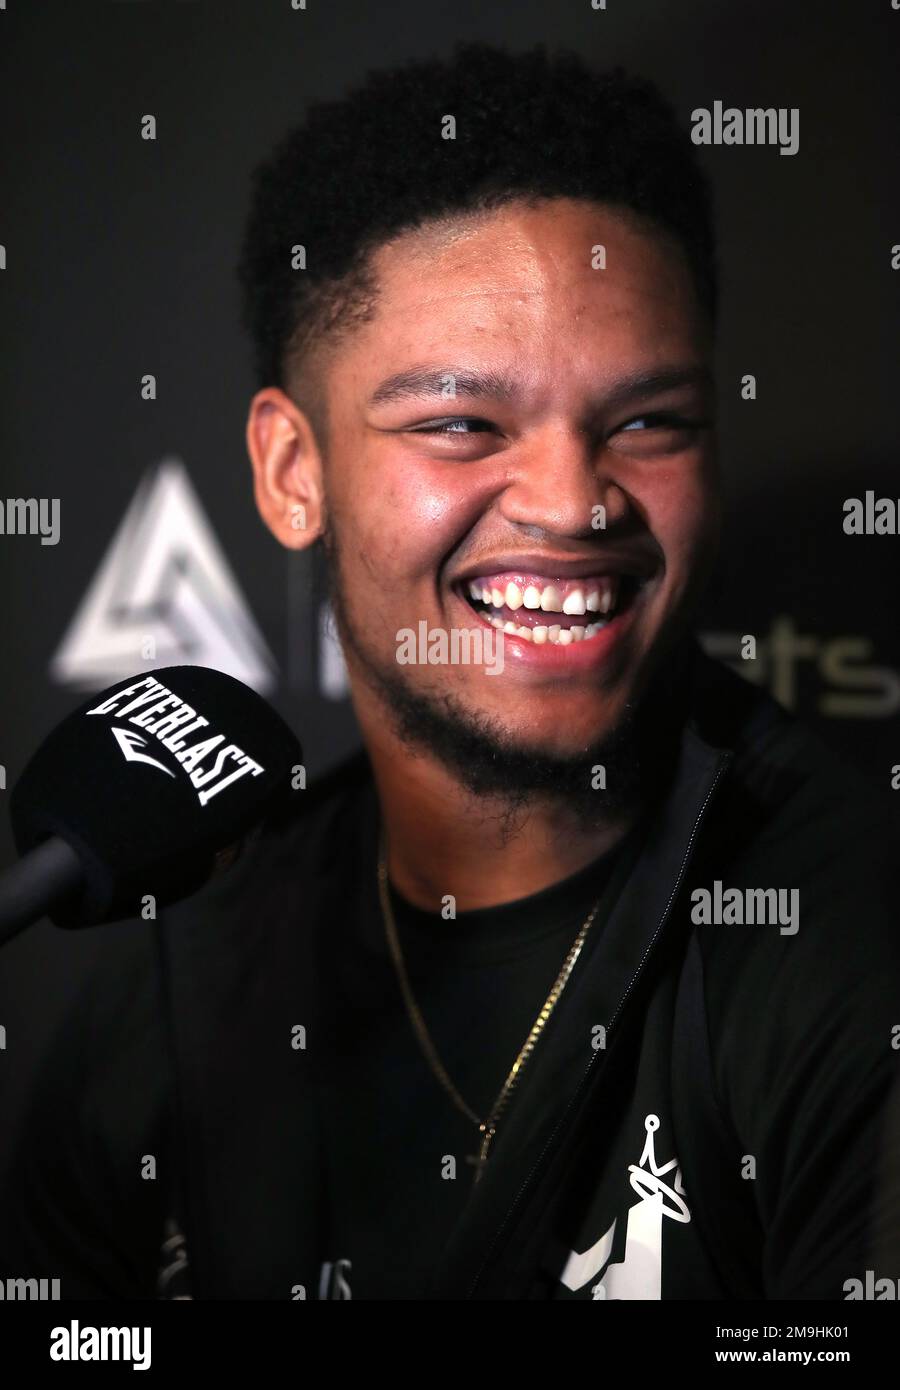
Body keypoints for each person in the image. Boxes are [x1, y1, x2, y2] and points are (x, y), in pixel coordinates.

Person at [2, 41, 898, 1301]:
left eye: (648, 422)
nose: (575, 501)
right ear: (291, 472)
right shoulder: (163, 997)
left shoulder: (849, 948)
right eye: (462, 426)